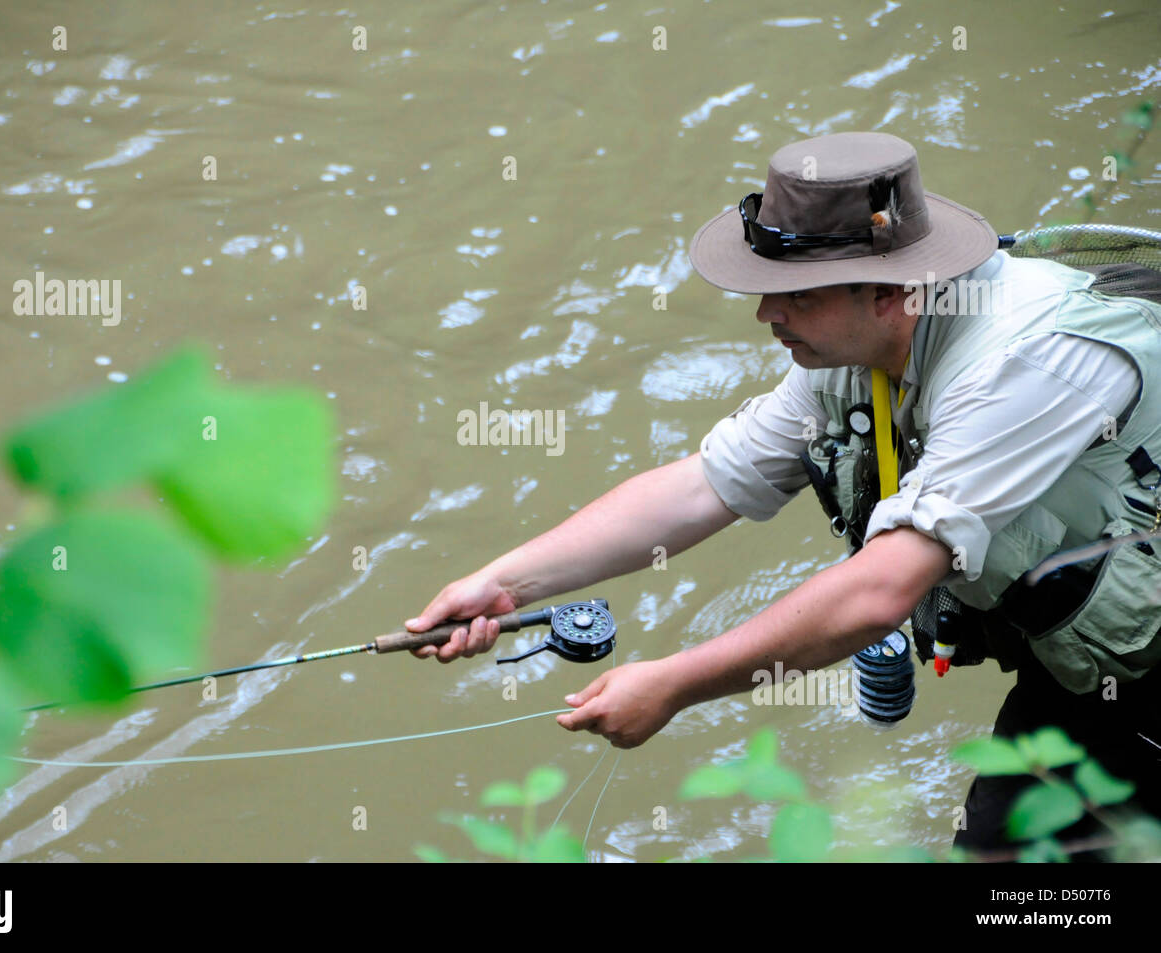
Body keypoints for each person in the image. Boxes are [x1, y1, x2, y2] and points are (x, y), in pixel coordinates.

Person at [404, 131, 1161, 858]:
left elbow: (878, 593)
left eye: (794, 294)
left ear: (893, 289)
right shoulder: (854, 348)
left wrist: (673, 684)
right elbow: (705, 485)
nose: (767, 314)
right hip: (1089, 671)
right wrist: (499, 583)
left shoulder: (1026, 364)